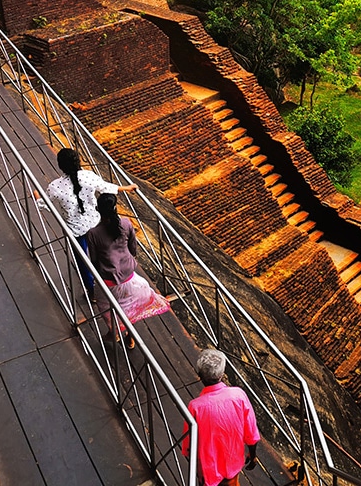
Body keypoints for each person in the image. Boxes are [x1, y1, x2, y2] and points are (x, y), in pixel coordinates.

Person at [42, 148, 138, 300]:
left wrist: (36, 196)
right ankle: (109, 282)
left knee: (82, 260)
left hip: (75, 229)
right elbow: (106, 187)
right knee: (100, 252)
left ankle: (92, 291)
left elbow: (44, 203)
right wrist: (126, 188)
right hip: (94, 223)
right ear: (78, 162)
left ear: (61, 166)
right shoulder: (88, 176)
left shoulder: (55, 187)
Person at [88, 192, 171, 345]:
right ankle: (130, 335)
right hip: (131, 278)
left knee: (106, 309)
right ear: (115, 208)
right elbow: (133, 248)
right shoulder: (126, 224)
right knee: (131, 307)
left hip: (109, 283)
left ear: (97, 209)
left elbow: (93, 260)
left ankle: (114, 333)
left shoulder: (93, 233)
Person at [183, 349, 260, 486]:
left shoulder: (195, 407)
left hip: (208, 471)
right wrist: (253, 455)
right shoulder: (238, 396)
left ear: (199, 375)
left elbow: (189, 444)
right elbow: (251, 434)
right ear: (223, 374)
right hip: (233, 463)